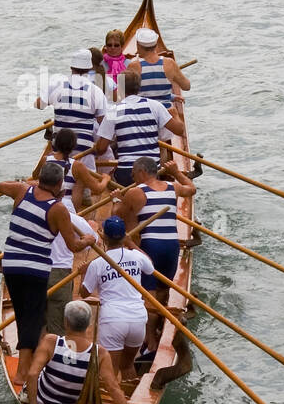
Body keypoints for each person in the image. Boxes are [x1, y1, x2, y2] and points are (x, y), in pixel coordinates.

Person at [0, 161, 96, 381]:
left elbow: (0, 185)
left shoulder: (22, 190)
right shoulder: (58, 208)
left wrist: (29, 183)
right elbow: (73, 245)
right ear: (60, 184)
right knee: (32, 319)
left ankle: (26, 364)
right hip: (35, 269)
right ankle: (23, 373)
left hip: (11, 265)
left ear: (40, 179)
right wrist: (88, 239)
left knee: (23, 316)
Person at [115, 156, 196, 360]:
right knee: (162, 291)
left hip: (151, 246)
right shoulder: (172, 186)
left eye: (134, 172)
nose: (132, 176)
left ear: (142, 172)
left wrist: (117, 198)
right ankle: (157, 335)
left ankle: (149, 341)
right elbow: (191, 188)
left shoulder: (136, 192)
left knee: (148, 294)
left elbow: (118, 217)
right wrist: (177, 172)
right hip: (171, 245)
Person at [23, 300, 139, 404]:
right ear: (89, 324)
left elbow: (33, 374)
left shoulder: (50, 341)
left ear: (66, 322)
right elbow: (112, 388)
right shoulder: (100, 353)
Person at [81, 215, 154, 375]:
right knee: (127, 366)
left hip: (112, 320)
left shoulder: (97, 263)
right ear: (124, 235)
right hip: (138, 319)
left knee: (110, 371)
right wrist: (131, 243)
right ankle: (127, 398)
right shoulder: (136, 255)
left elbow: (84, 293)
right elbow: (150, 268)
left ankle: (111, 399)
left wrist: (83, 273)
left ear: (104, 237)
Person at [94, 70, 184, 187]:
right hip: (153, 170)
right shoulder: (155, 106)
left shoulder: (113, 111)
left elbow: (101, 149)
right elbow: (179, 130)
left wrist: (95, 147)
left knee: (108, 180)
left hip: (127, 172)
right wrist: (176, 115)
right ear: (138, 88)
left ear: (120, 88)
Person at [35, 50, 107, 191]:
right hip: (84, 151)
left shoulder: (56, 85)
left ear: (71, 67)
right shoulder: (96, 91)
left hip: (59, 148)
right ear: (89, 68)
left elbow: (39, 105)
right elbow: (103, 123)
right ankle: (84, 192)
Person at [46, 181, 97, 334]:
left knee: (36, 319)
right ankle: (54, 354)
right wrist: (88, 237)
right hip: (59, 274)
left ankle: (36, 354)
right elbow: (91, 242)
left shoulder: (30, 214)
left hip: (33, 270)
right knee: (59, 326)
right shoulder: (72, 219)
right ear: (62, 195)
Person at [45, 126, 111, 209]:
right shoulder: (77, 166)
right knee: (80, 181)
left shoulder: (45, 160)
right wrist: (106, 179)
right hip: (65, 208)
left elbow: (35, 175)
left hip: (45, 205)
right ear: (73, 146)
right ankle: (76, 213)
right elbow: (97, 189)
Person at [126, 27, 191, 108]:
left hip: (144, 113)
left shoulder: (133, 66)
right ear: (156, 45)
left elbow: (123, 95)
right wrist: (171, 95)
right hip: (165, 113)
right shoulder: (170, 63)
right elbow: (187, 86)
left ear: (138, 45)